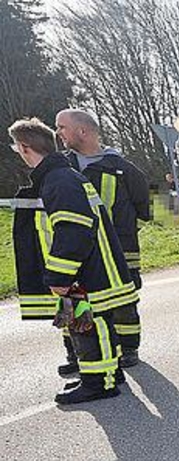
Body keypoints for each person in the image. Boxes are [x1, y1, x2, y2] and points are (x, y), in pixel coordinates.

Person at [8, 117, 137, 404]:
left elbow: (74, 229)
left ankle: (99, 384)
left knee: (91, 324)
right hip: (87, 268)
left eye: (15, 147)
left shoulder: (59, 180)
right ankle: (103, 375)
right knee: (84, 323)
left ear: (26, 148)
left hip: (86, 270)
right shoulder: (61, 176)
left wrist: (58, 276)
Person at [56, 108, 150, 370]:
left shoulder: (124, 170)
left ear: (82, 131)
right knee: (74, 300)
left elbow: (145, 208)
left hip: (120, 252)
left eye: (62, 127)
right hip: (77, 251)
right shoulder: (61, 167)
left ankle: (128, 349)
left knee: (123, 304)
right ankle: (78, 354)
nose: (58, 132)